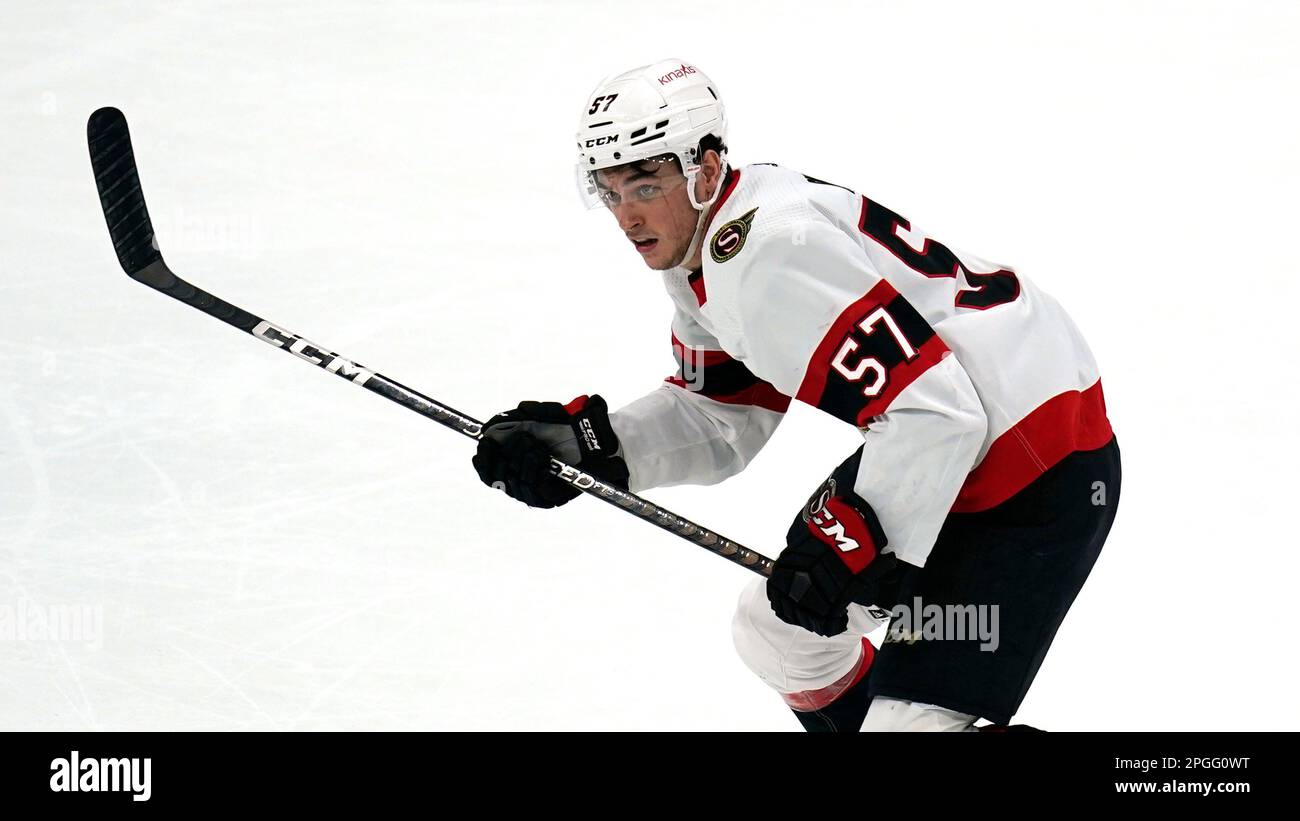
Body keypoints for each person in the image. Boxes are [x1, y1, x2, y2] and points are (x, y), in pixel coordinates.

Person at [472, 58, 1120, 732]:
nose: (627, 215)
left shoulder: (769, 255)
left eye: (644, 183)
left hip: (1034, 465)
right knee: (781, 634)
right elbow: (725, 411)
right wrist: (598, 447)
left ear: (707, 168)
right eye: (610, 191)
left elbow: (938, 413)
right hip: (963, 437)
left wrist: (853, 542)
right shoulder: (710, 248)